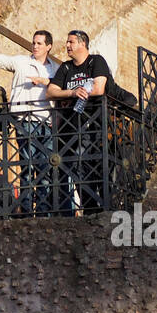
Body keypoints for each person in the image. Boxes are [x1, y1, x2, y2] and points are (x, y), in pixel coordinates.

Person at [0, 31, 56, 215]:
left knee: (44, 167)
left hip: (47, 121)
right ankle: (27, 209)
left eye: (39, 43)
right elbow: (5, 61)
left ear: (48, 47)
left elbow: (60, 86)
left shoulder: (54, 69)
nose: (35, 46)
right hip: (25, 120)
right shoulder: (22, 61)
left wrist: (46, 82)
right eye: (34, 42)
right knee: (27, 166)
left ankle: (43, 211)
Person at [46, 29, 111, 213]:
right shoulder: (66, 68)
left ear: (83, 44)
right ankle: (89, 211)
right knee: (76, 170)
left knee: (92, 167)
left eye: (71, 42)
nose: (67, 45)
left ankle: (101, 210)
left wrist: (83, 92)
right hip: (70, 127)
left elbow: (99, 89)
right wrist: (72, 92)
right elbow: (51, 92)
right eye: (67, 42)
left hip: (94, 125)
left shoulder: (95, 61)